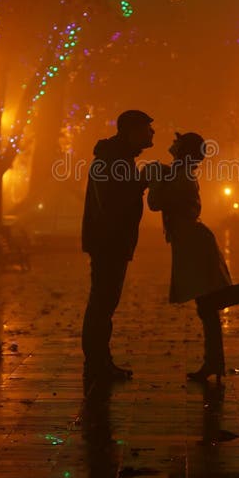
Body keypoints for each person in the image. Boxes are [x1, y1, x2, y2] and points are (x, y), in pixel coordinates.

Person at [147, 132, 239, 384]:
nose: (171, 143)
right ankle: (214, 362)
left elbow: (154, 202)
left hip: (193, 242)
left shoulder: (180, 173)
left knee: (210, 302)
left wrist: (153, 178)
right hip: (191, 240)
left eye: (177, 141)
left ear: (183, 149)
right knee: (208, 306)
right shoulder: (179, 170)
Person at [81, 109, 155, 380]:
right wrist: (141, 183)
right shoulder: (111, 160)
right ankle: (97, 363)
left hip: (112, 241)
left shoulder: (118, 158)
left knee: (105, 303)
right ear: (131, 131)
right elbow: (111, 203)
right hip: (107, 242)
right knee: (102, 302)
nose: (153, 133)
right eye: (148, 129)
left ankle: (101, 361)